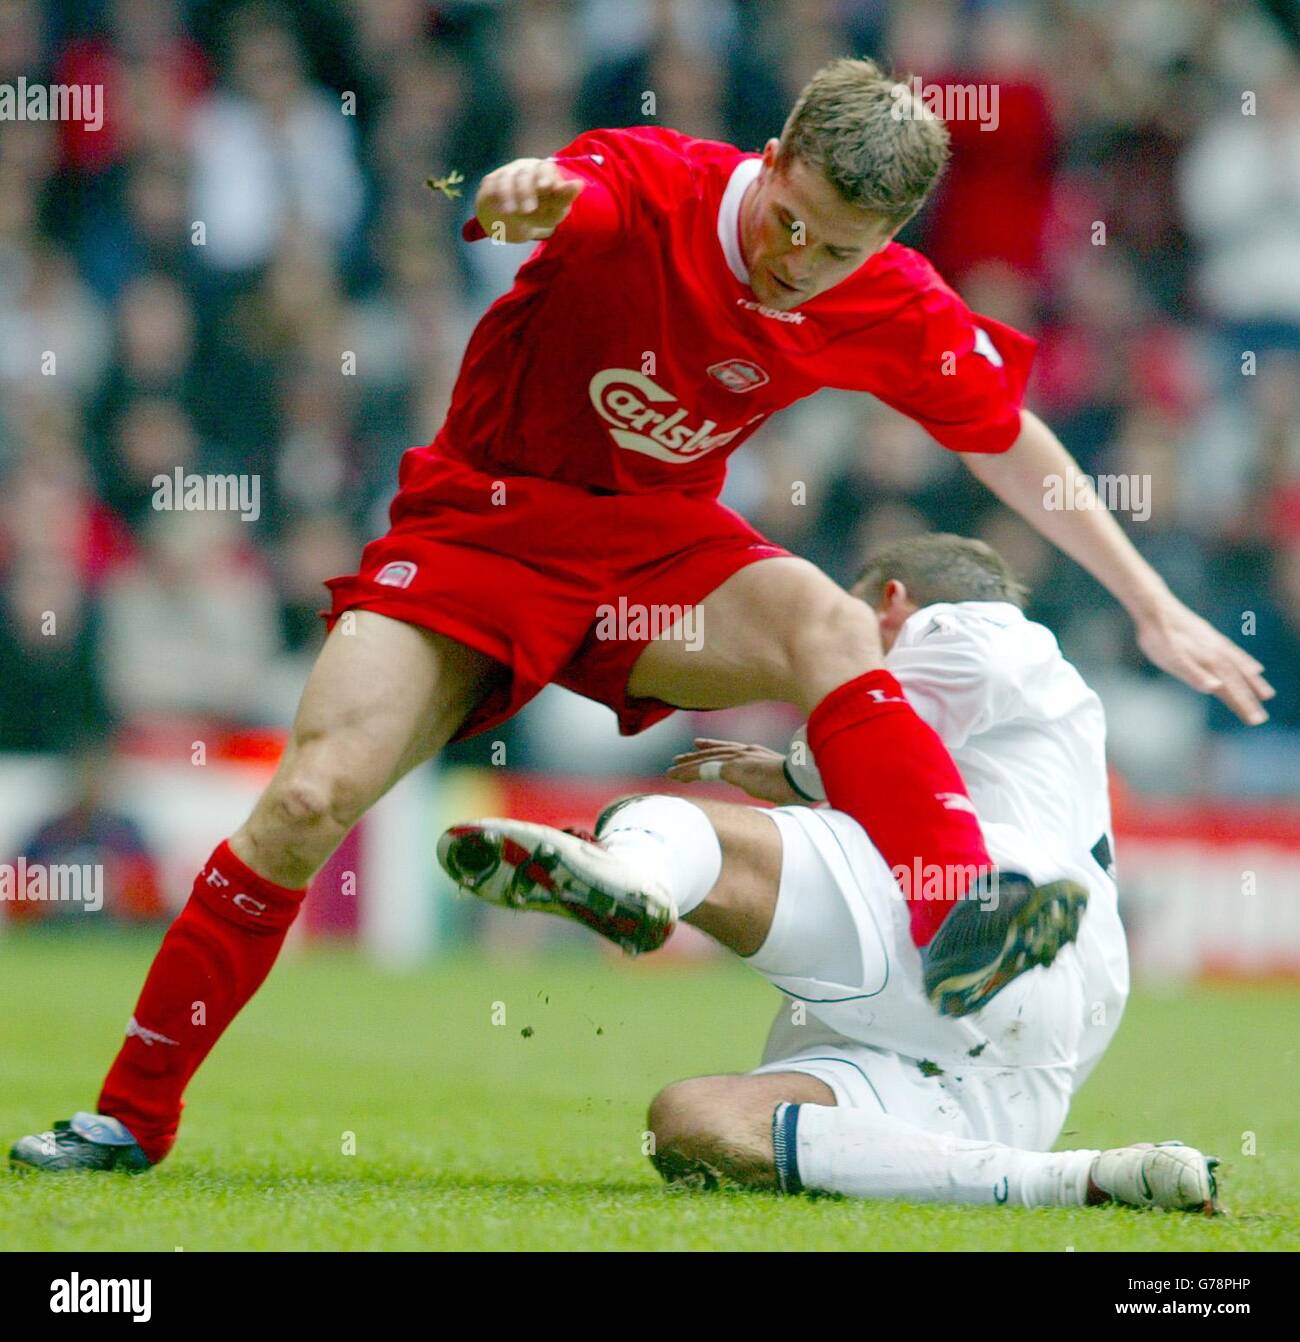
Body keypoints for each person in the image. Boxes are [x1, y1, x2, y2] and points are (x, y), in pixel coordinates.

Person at [11, 59, 1267, 1175]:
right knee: (302, 802)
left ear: (882, 240)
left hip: (651, 551)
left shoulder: (875, 294)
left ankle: (956, 924)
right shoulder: (655, 183)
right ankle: (132, 1114)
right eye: (789, 225)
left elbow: (1006, 438)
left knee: (829, 626)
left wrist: (1151, 604)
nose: (797, 264)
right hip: (481, 531)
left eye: (837, 250)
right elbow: (572, 189)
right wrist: (526, 190)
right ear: (767, 162)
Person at [434, 534, 1219, 1213]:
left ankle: (636, 874)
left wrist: (801, 770)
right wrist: (806, 772)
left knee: (670, 819)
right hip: (1016, 1057)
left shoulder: (974, 627)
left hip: (990, 903)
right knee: (695, 1123)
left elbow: (888, 716)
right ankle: (1073, 1179)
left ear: (889, 603)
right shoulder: (1042, 703)